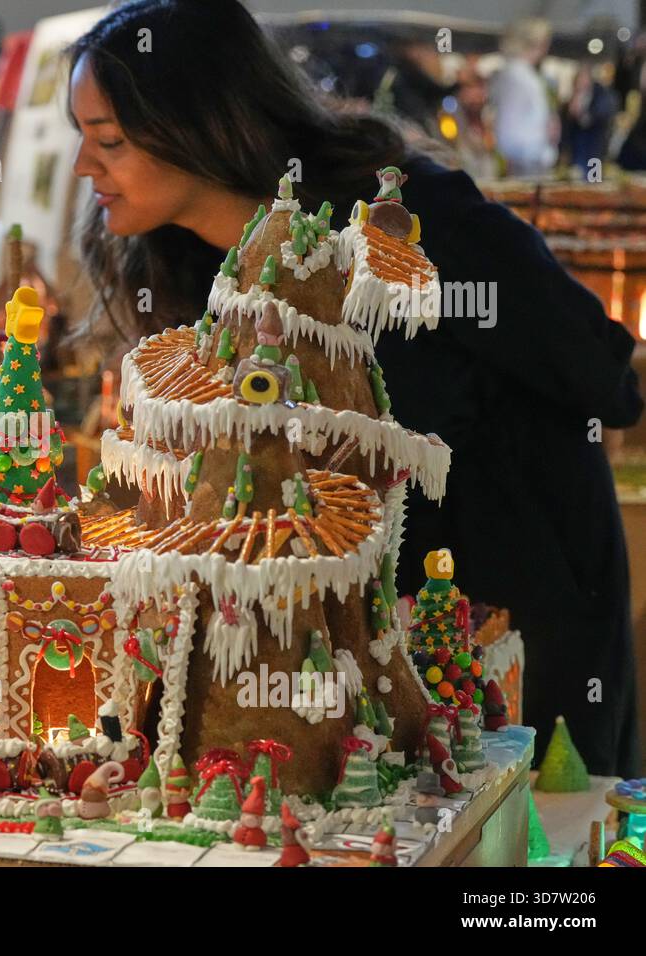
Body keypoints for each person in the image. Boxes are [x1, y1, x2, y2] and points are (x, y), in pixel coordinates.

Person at [68, 0, 641, 778]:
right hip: (334, 658)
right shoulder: (192, 268)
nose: (84, 166)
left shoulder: (405, 224)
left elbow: (600, 373)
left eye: (108, 140)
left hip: (505, 625)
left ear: (203, 126)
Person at [489, 18, 558, 176]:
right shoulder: (518, 76)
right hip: (527, 160)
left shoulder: (520, 74)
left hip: (528, 158)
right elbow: (510, 126)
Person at [561, 63, 619, 172]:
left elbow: (600, 116)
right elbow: (568, 125)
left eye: (583, 78)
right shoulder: (575, 96)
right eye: (578, 78)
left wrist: (581, 114)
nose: (580, 82)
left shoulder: (602, 94)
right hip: (576, 149)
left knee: (593, 177)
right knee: (577, 177)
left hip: (594, 147)